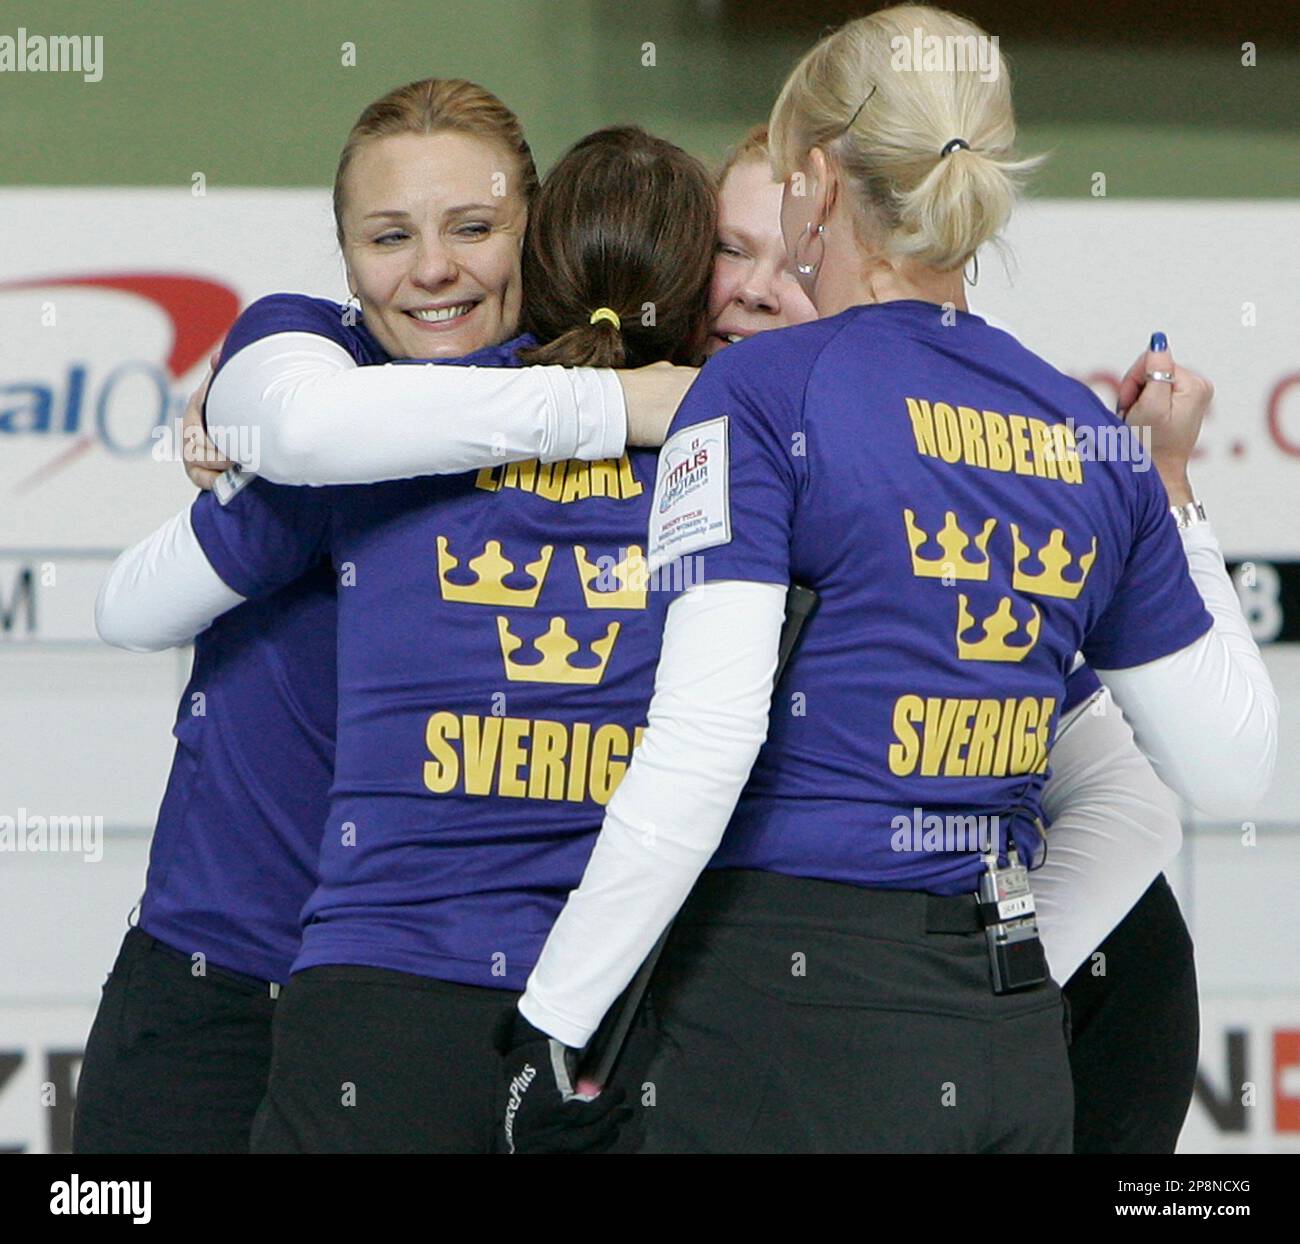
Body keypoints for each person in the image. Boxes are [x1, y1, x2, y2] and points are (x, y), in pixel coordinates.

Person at [496, 4, 1277, 1154]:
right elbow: (1229, 765)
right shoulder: (1079, 429)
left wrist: (557, 1021)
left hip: (788, 1019)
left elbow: (705, 738)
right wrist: (1173, 493)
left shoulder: (761, 396)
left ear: (815, 178)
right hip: (1005, 1037)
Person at [80, 77, 680, 1155]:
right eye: (389, 235)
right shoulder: (311, 364)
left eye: (473, 227)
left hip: (446, 1007)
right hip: (214, 978)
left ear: (535, 234)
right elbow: (132, 600)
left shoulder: (621, 431)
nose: (432, 268)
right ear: (347, 257)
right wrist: (609, 404)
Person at [714, 125, 1202, 1153]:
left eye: (793, 253)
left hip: (1073, 1020)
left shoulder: (933, 480)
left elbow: (1134, 800)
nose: (757, 288)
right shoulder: (688, 456)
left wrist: (989, 993)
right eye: (728, 248)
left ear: (854, 257)